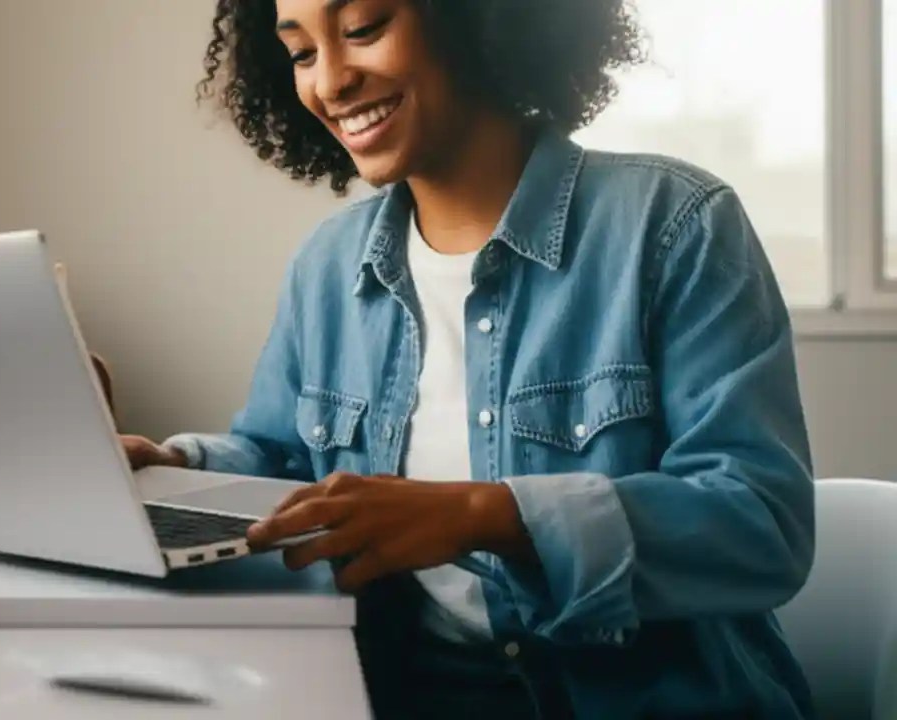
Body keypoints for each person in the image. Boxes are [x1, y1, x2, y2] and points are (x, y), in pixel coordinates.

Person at [121, 0, 817, 717]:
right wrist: (173, 470)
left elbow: (761, 524)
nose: (329, 82)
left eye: (362, 29)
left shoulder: (674, 224)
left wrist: (485, 515)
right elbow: (284, 463)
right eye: (301, 53)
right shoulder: (327, 267)